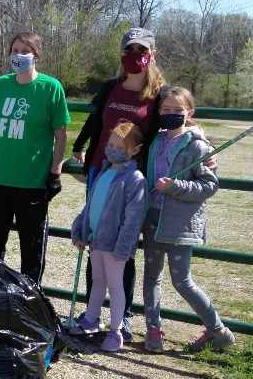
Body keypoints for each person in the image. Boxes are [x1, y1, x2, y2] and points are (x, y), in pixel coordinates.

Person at [71, 27, 218, 342]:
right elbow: (95, 121)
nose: (135, 56)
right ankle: (91, 314)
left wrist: (206, 149)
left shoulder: (160, 93)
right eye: (129, 50)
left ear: (152, 54)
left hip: (132, 180)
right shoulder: (111, 87)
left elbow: (181, 118)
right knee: (96, 241)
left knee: (123, 249)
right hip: (101, 171)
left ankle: (121, 319)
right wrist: (79, 147)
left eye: (142, 50)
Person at [0, 31, 70, 286]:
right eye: (14, 50)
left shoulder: (50, 88)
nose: (18, 56)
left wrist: (55, 172)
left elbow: (61, 135)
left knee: (32, 248)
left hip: (33, 183)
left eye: (25, 51)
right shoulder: (2, 85)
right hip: (0, 179)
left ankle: (30, 299)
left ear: (36, 55)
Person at [142, 87, 234, 353]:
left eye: (178, 111)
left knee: (182, 280)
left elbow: (208, 186)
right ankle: (153, 328)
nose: (171, 115)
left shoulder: (197, 146)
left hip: (179, 223)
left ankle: (218, 330)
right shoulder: (156, 142)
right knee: (151, 276)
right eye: (166, 110)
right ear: (159, 112)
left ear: (189, 113)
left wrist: (174, 186)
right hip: (153, 218)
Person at [70, 121, 146, 352]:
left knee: (115, 286)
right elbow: (90, 206)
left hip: (115, 246)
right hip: (95, 240)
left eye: (120, 147)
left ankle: (116, 331)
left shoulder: (135, 179)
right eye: (111, 144)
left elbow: (133, 220)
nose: (113, 150)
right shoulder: (104, 172)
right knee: (98, 282)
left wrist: (122, 248)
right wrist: (80, 230)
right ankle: (91, 318)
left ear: (134, 150)